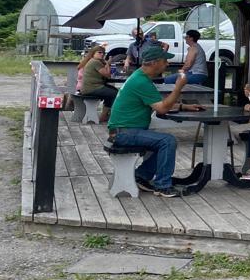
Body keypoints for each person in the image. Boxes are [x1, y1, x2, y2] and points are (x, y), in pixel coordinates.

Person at [107, 46, 204, 198]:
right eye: (165, 61)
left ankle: (141, 175)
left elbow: (156, 103)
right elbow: (162, 109)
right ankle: (162, 186)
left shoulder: (140, 77)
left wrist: (184, 106)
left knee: (164, 142)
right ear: (155, 63)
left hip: (121, 130)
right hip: (124, 132)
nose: (167, 64)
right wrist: (178, 87)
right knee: (168, 141)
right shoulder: (141, 82)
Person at [79, 45, 118, 121]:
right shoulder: (95, 62)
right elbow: (108, 75)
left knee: (114, 91)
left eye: (103, 53)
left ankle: (105, 114)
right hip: (91, 88)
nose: (102, 54)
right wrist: (108, 64)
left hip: (91, 87)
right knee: (114, 94)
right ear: (93, 53)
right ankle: (105, 115)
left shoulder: (95, 61)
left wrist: (105, 63)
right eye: (99, 52)